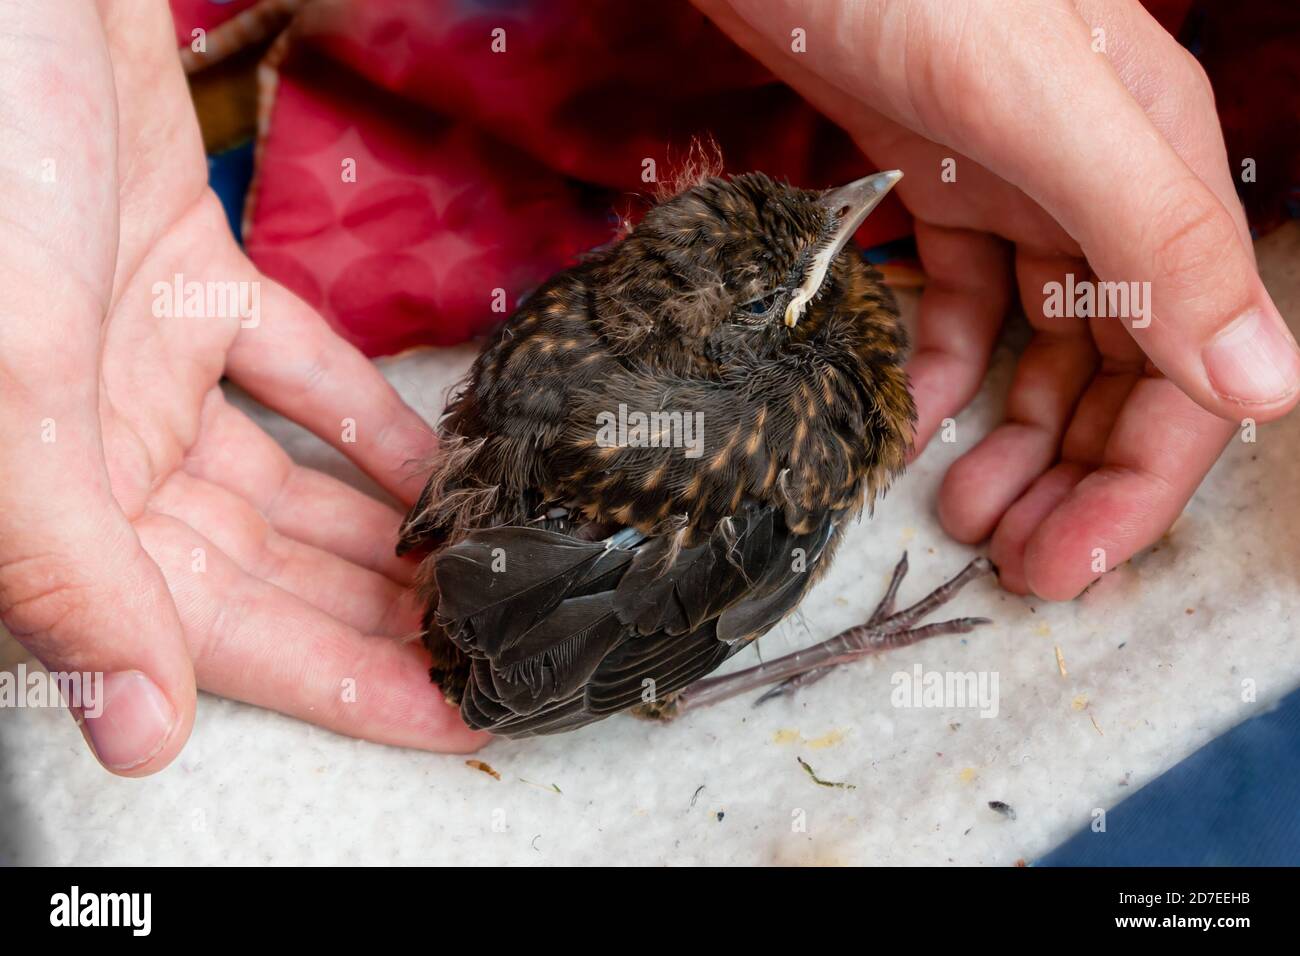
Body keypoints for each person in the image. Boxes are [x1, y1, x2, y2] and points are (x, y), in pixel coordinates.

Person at [0, 0, 1294, 776]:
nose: (855, 211)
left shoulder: (668, 338)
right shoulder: (786, 446)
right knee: (702, 614)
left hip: (518, 479)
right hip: (538, 579)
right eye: (811, 265)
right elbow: (646, 607)